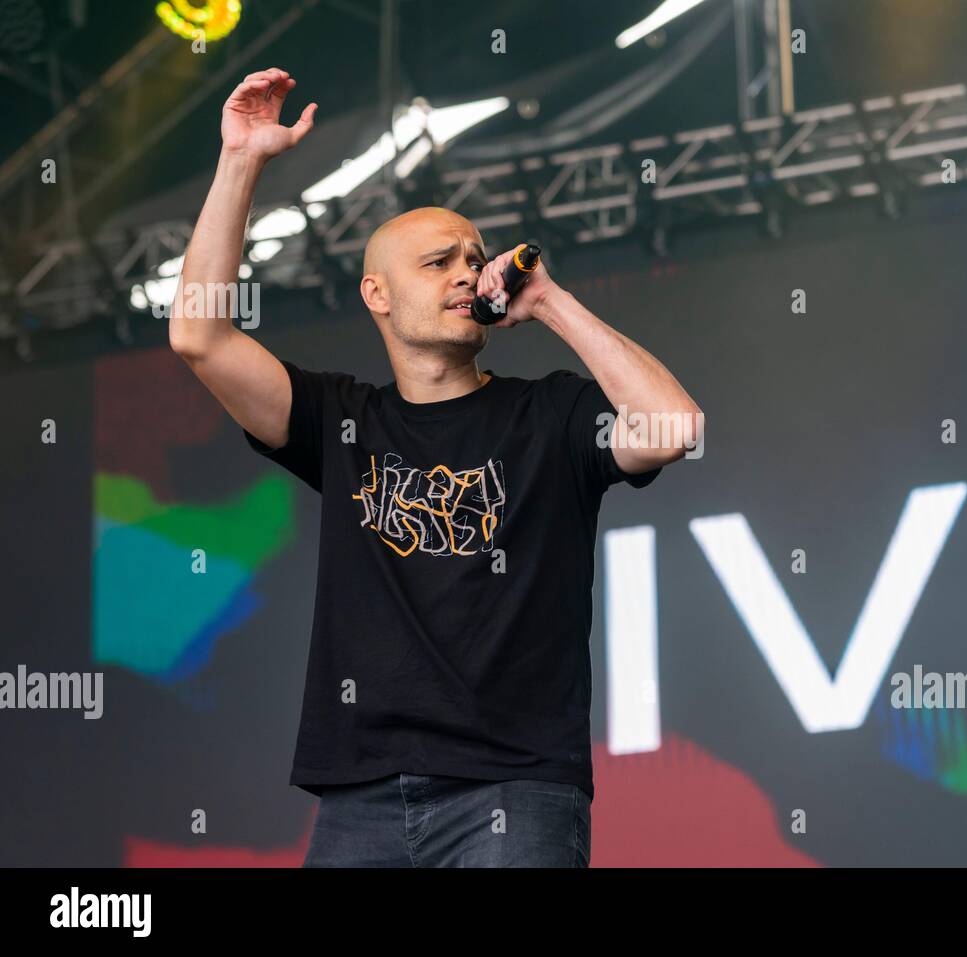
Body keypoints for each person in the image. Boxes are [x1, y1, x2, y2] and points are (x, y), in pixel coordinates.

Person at [168, 68, 703, 867]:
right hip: (358, 801)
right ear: (376, 294)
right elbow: (200, 338)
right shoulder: (341, 421)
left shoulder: (549, 416)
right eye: (437, 262)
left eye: (473, 258)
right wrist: (241, 161)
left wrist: (550, 302)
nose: (465, 271)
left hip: (513, 794)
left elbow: (674, 427)